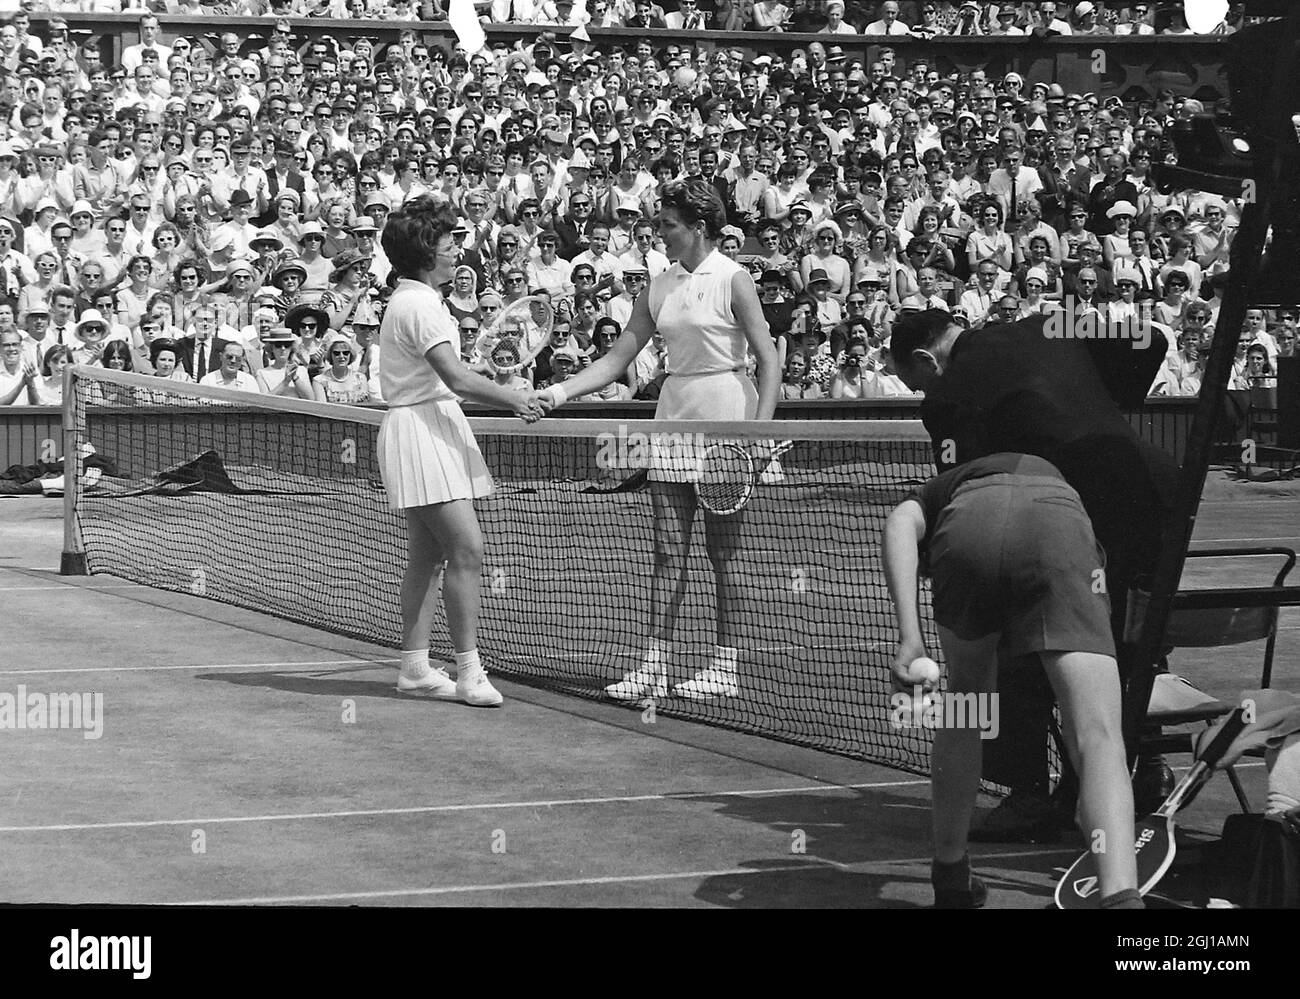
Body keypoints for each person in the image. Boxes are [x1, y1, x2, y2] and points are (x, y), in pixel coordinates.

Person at [889, 309, 1178, 840]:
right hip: (1151, 499)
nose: (922, 392)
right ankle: (1141, 771)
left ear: (927, 359)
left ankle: (1029, 797)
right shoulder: (1048, 324)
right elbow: (1152, 338)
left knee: (1012, 639)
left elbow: (966, 491)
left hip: (1076, 517)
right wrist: (1104, 405)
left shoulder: (949, 394)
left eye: (916, 381)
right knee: (1131, 642)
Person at [539, 178, 780, 702]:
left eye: (669, 225)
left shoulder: (734, 279)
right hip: (673, 415)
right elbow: (616, 358)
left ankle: (724, 665)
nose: (660, 233)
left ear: (698, 227)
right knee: (668, 548)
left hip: (726, 417)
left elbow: (768, 357)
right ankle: (654, 666)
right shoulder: (659, 284)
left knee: (724, 554)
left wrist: (758, 434)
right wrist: (557, 392)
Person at [883, 452, 1141, 909]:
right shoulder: (1044, 477)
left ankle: (950, 876)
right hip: (1057, 529)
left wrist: (910, 638)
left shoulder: (934, 493)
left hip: (967, 532)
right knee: (1097, 735)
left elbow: (900, 522)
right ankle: (1121, 900)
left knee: (966, 708)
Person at [377, 195, 545, 709]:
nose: (457, 252)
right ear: (429, 251)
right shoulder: (421, 304)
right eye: (450, 242)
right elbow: (455, 377)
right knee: (467, 550)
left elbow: (449, 374)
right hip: (422, 430)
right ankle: (470, 671)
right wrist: (515, 395)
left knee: (428, 555)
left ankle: (414, 667)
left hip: (433, 424)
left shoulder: (419, 301)